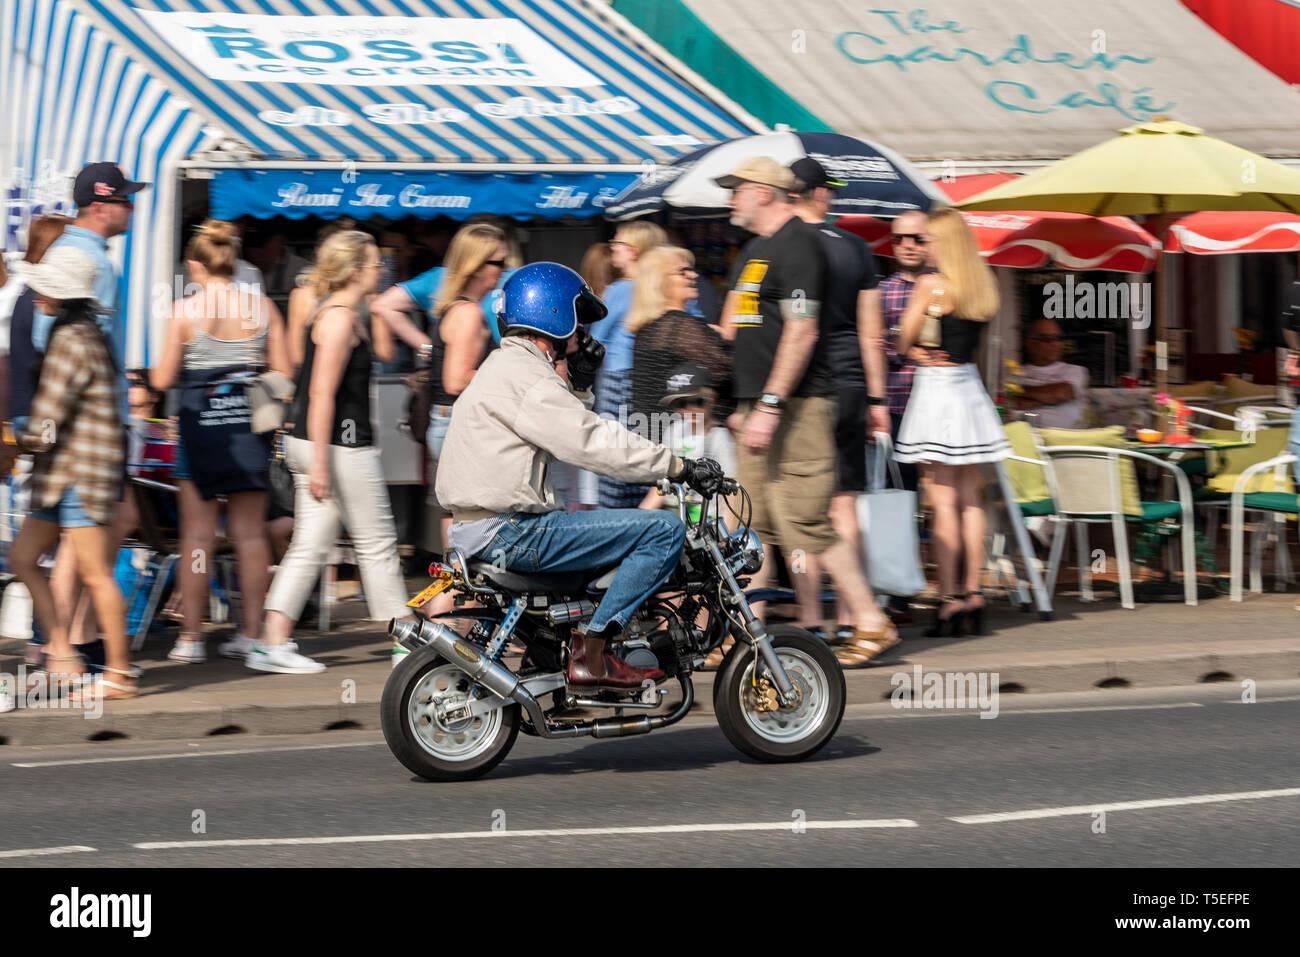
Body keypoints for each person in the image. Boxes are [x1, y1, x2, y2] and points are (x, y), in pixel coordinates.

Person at [435, 262, 723, 688]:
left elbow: (562, 426)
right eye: (579, 324)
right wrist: (678, 467)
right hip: (513, 532)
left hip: (481, 527)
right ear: (554, 316)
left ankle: (581, 642)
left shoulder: (506, 369)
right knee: (663, 530)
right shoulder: (528, 378)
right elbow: (592, 442)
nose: (582, 338)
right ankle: (594, 652)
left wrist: (580, 384)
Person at [719, 156, 899, 664]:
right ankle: (742, 634)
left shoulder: (800, 245)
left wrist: (770, 405)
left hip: (799, 410)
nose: (731, 197)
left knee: (807, 521)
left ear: (765, 192)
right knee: (749, 523)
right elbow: (746, 330)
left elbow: (803, 330)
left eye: (738, 188)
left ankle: (870, 620)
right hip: (763, 407)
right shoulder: (759, 250)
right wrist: (743, 402)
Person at [256, 230, 417, 674]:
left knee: (309, 544)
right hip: (339, 448)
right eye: (374, 263)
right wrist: (324, 463)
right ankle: (405, 641)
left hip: (315, 443)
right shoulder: (343, 318)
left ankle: (271, 640)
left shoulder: (337, 311)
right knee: (378, 542)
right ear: (353, 270)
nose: (381, 268)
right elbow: (323, 392)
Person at [149, 220, 292, 664]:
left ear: (195, 264)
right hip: (249, 427)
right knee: (250, 536)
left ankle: (190, 638)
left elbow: (161, 378)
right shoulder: (263, 308)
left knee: (197, 537)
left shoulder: (182, 311)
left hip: (199, 430)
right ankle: (250, 635)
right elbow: (285, 375)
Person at [10, 246, 136, 700]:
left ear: (60, 294)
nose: (34, 293)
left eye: (42, 287)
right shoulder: (82, 332)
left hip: (79, 476)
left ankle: (119, 674)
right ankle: (63, 654)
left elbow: (46, 422)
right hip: (65, 474)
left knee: (96, 574)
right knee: (24, 559)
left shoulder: (70, 341)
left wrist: (14, 434)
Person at [788, 156, 894, 658]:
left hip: (808, 388)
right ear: (821, 194)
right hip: (852, 384)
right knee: (845, 503)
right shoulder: (858, 248)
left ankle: (812, 622)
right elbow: (873, 335)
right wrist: (878, 400)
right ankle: (855, 620)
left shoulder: (790, 247)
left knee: (801, 509)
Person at [44, 164, 146, 668]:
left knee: (84, 531)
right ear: (102, 206)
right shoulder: (93, 263)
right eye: (125, 201)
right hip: (93, 425)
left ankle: (70, 642)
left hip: (81, 423)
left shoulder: (79, 253)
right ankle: (70, 644)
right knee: (94, 530)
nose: (132, 208)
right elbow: (73, 346)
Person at [895, 208, 1009, 637]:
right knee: (971, 498)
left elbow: (904, 337)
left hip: (938, 389)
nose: (921, 246)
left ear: (943, 242)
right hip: (969, 387)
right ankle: (974, 591)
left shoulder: (930, 284)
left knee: (940, 499)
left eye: (927, 239)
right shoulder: (983, 286)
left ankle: (947, 598)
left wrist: (914, 350)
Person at [878, 209, 939, 625]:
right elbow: (878, 345)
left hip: (941, 410)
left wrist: (903, 343)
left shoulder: (945, 287)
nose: (909, 245)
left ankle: (946, 589)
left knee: (940, 504)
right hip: (898, 408)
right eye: (901, 239)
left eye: (916, 238)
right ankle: (899, 596)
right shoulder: (882, 292)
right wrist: (910, 349)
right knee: (899, 503)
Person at [592, 221, 668, 508]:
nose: (613, 247)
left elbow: (596, 338)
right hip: (651, 382)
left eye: (619, 243)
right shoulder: (664, 286)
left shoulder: (621, 290)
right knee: (645, 457)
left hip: (617, 382)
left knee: (615, 461)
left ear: (636, 252)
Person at [629, 245, 731, 437]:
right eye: (683, 271)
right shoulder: (675, 327)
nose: (693, 276)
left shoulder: (651, 327)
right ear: (660, 281)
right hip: (683, 441)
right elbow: (727, 365)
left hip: (654, 435)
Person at [1013, 318, 1089, 428]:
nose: (1054, 344)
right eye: (1046, 339)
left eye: (1057, 338)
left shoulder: (1076, 371)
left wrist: (1022, 393)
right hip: (1027, 436)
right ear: (1030, 343)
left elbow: (1061, 394)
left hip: (1068, 439)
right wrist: (1049, 398)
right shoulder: (1016, 372)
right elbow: (1013, 404)